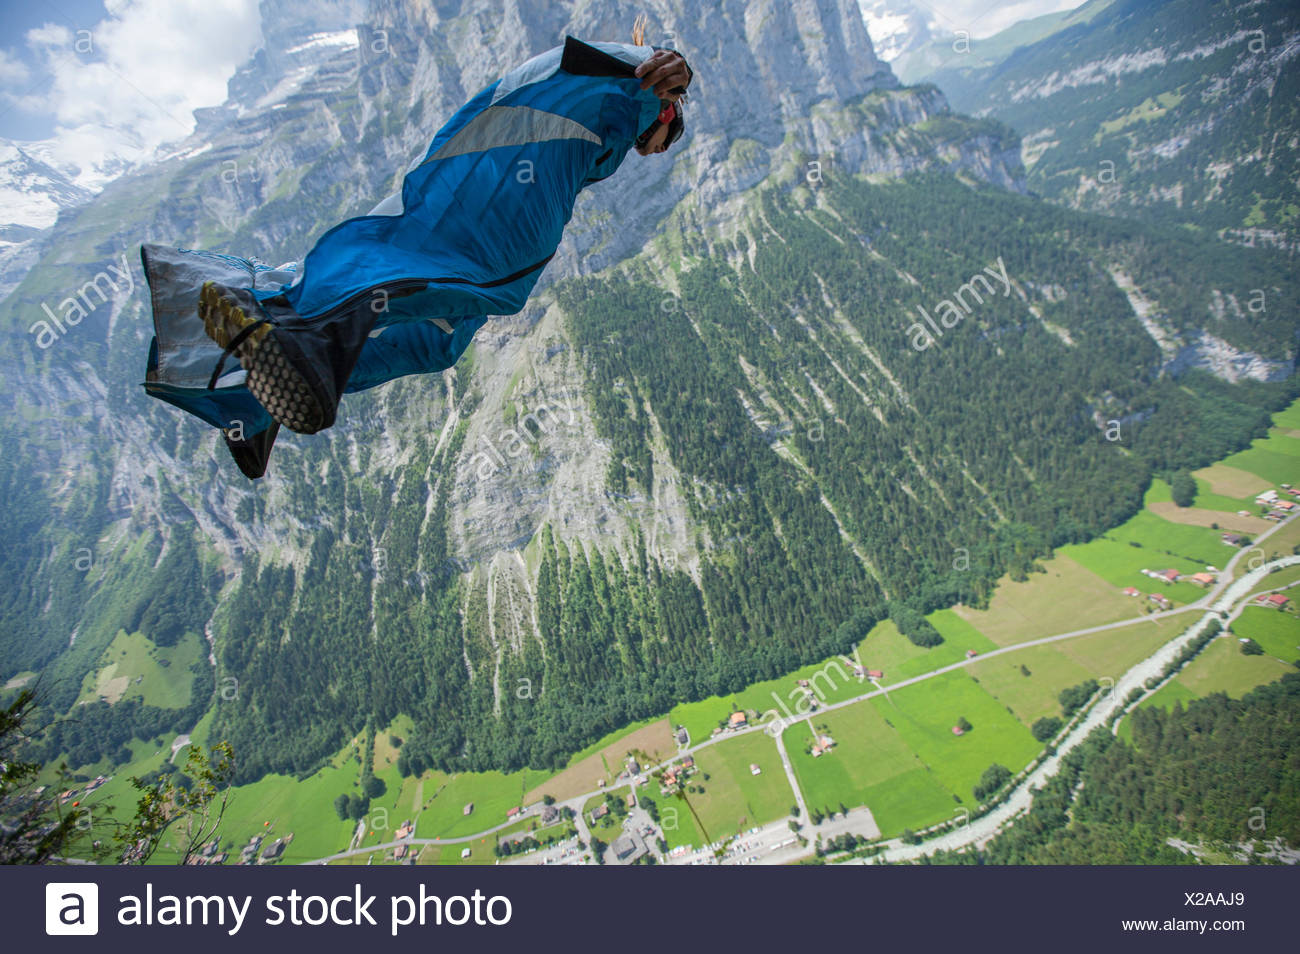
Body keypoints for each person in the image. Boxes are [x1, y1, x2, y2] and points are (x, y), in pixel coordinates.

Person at [141, 27, 692, 479]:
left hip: (500, 188)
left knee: (439, 341)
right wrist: (677, 68)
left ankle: (258, 387)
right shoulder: (636, 83)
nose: (653, 153)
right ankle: (292, 323)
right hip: (505, 200)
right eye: (662, 145)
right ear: (669, 116)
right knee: (483, 284)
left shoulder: (618, 117)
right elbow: (641, 65)